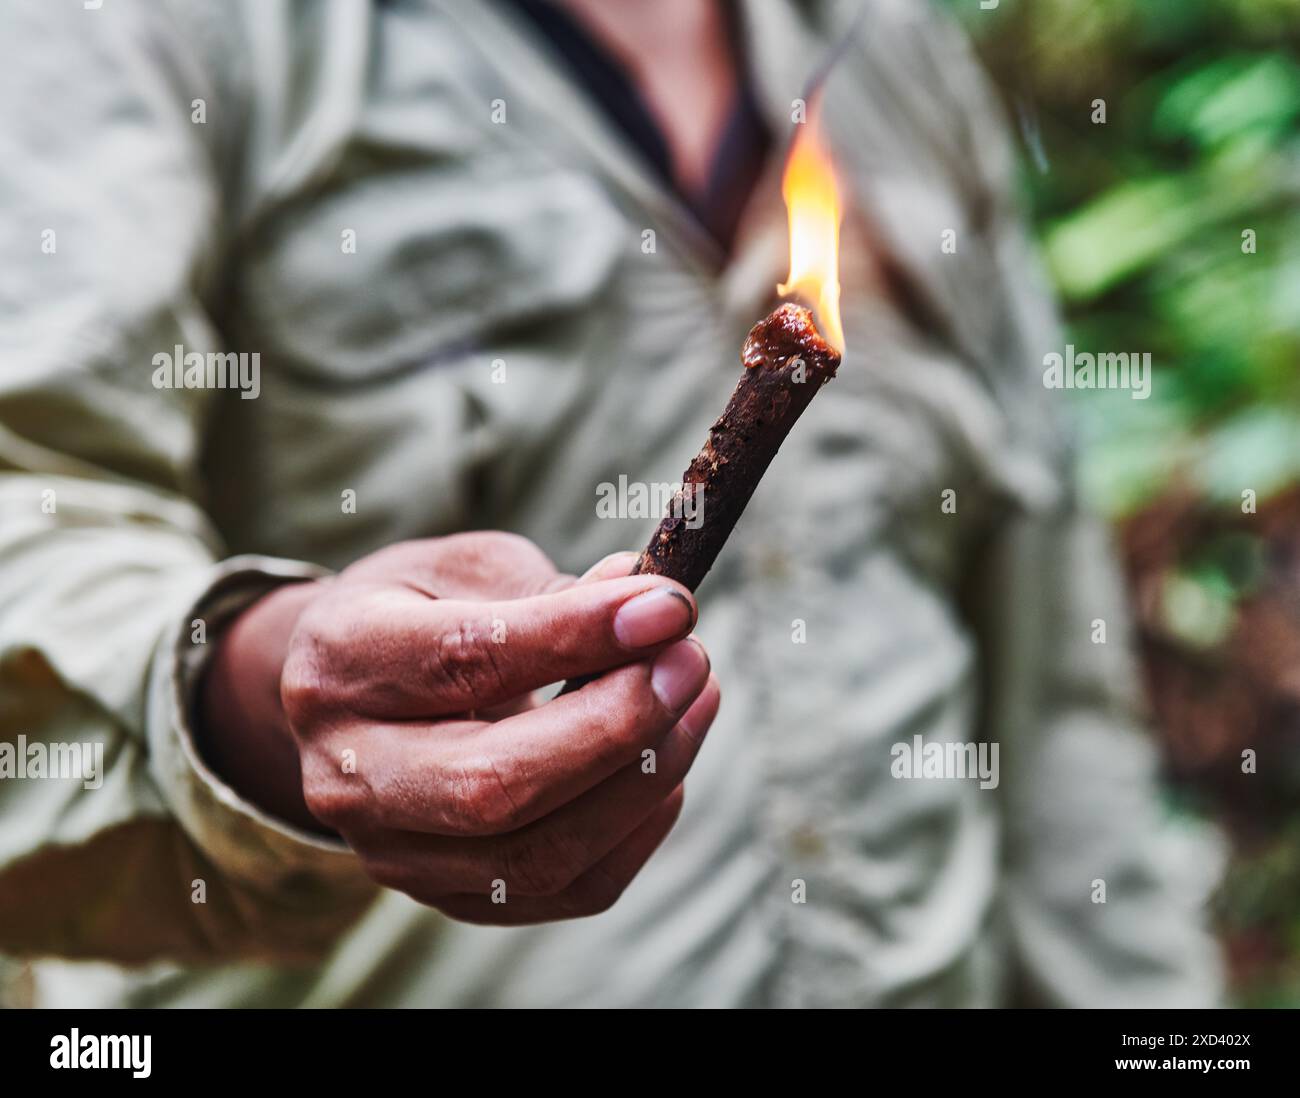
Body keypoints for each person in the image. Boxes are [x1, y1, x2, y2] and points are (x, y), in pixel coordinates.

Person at [0, 0, 1222, 1007]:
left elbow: (1057, 694)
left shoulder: (897, 50)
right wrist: (264, 693)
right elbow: (32, 523)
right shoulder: (150, 31)